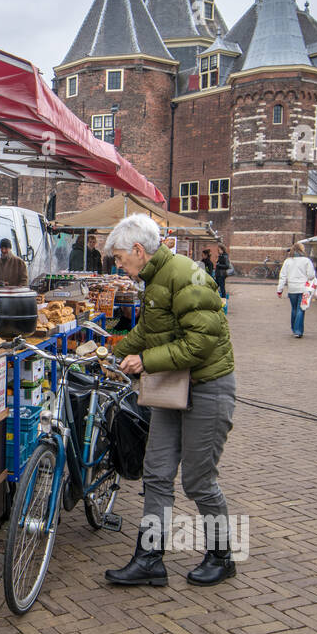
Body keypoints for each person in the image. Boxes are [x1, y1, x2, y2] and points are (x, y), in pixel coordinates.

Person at [102, 214, 238, 588]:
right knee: (158, 474)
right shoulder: (154, 278)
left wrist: (145, 361)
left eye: (118, 257)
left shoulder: (185, 274)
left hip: (207, 389)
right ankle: (149, 559)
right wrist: (109, 353)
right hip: (171, 386)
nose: (118, 265)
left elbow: (201, 343)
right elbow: (150, 329)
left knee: (198, 480)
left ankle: (222, 555)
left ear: (137, 250)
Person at [276, 242, 317, 338]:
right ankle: (298, 331)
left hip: (292, 288)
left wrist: (280, 289)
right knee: (301, 308)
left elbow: (283, 276)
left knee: (294, 309)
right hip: (304, 288)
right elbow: (311, 276)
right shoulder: (306, 261)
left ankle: (294, 328)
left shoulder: (288, 261)